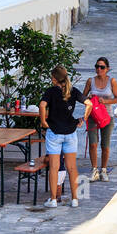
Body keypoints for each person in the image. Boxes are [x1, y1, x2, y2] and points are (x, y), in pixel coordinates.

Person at [39, 65, 81, 209]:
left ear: (55, 78)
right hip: (70, 132)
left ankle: (53, 200)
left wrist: (43, 121)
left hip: (54, 133)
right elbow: (88, 103)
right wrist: (83, 118)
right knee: (72, 167)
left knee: (54, 167)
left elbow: (42, 105)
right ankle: (75, 199)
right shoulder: (72, 90)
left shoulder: (51, 91)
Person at [81, 58, 117, 183]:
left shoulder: (112, 81)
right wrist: (88, 98)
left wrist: (105, 101)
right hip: (92, 116)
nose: (99, 69)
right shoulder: (90, 81)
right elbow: (82, 97)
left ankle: (103, 170)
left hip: (107, 116)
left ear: (107, 69)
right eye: (97, 66)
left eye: (102, 67)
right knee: (93, 144)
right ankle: (94, 170)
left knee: (105, 145)